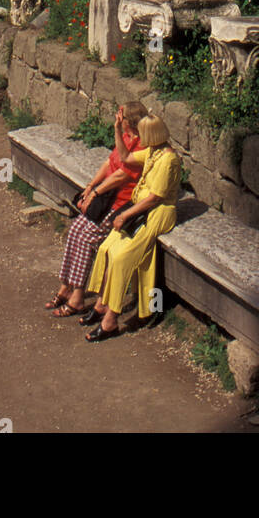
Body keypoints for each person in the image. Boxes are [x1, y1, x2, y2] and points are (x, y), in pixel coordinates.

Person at [84, 115, 182, 341]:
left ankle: (111, 318)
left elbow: (155, 198)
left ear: (152, 135)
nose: (138, 137)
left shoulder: (168, 160)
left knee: (120, 257)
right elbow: (125, 157)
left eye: (142, 134)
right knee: (106, 247)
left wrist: (125, 214)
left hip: (157, 213)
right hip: (139, 210)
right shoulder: (152, 152)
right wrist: (118, 130)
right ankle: (102, 302)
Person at [45, 101, 147, 318]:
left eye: (121, 117)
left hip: (119, 201)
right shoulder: (126, 138)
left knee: (87, 238)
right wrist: (90, 187)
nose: (117, 119)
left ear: (130, 121)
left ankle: (78, 295)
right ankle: (66, 285)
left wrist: (96, 193)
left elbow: (122, 174)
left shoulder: (141, 146)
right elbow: (109, 163)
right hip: (105, 197)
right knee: (75, 230)